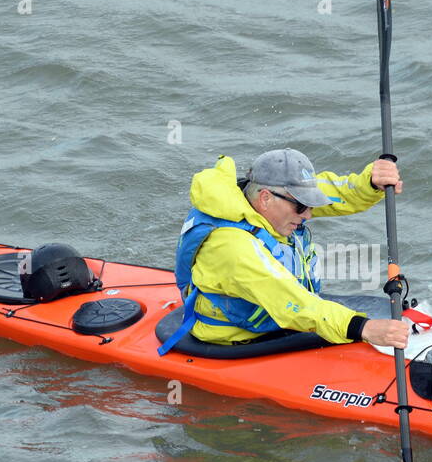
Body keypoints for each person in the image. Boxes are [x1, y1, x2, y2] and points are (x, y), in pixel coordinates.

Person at [157, 148, 410, 354]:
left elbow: (335, 191)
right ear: (266, 198)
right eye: (302, 206)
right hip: (240, 336)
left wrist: (371, 182)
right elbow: (290, 303)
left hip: (274, 311)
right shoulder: (232, 247)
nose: (309, 214)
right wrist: (362, 328)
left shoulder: (265, 199)